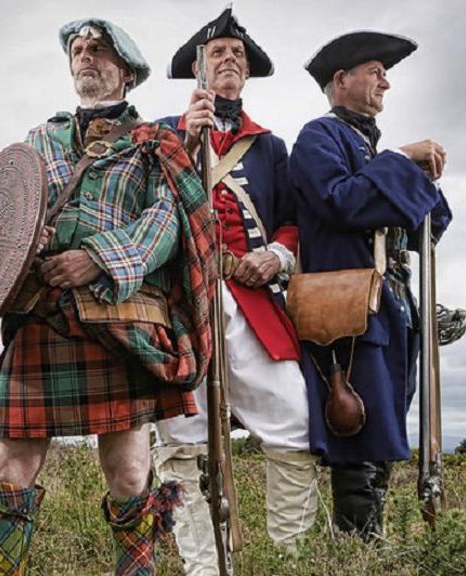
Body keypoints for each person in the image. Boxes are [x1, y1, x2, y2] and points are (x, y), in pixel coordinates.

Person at [0, 18, 216, 576]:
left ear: (126, 71)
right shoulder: (38, 142)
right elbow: (4, 217)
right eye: (78, 49)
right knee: (10, 463)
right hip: (44, 312)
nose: (86, 58)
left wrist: (97, 257)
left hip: (122, 318)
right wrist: (22, 244)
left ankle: (136, 571)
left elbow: (169, 222)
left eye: (99, 51)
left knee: (127, 468)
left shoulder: (155, 145)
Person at [152, 7, 319, 571]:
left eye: (237, 55)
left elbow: (292, 220)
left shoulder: (270, 147)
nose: (229, 60)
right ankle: (206, 567)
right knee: (181, 439)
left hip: (250, 302)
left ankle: (289, 560)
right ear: (196, 69)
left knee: (294, 417)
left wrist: (274, 255)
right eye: (218, 53)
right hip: (182, 303)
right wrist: (183, 140)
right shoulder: (163, 135)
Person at [288, 31, 453, 540]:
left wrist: (406, 174)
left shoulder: (371, 148)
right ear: (341, 80)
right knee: (355, 423)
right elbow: (341, 201)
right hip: (349, 308)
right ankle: (357, 550)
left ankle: (369, 544)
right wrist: (401, 164)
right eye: (375, 71)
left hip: (392, 305)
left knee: (384, 427)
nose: (386, 81)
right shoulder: (318, 137)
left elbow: (433, 223)